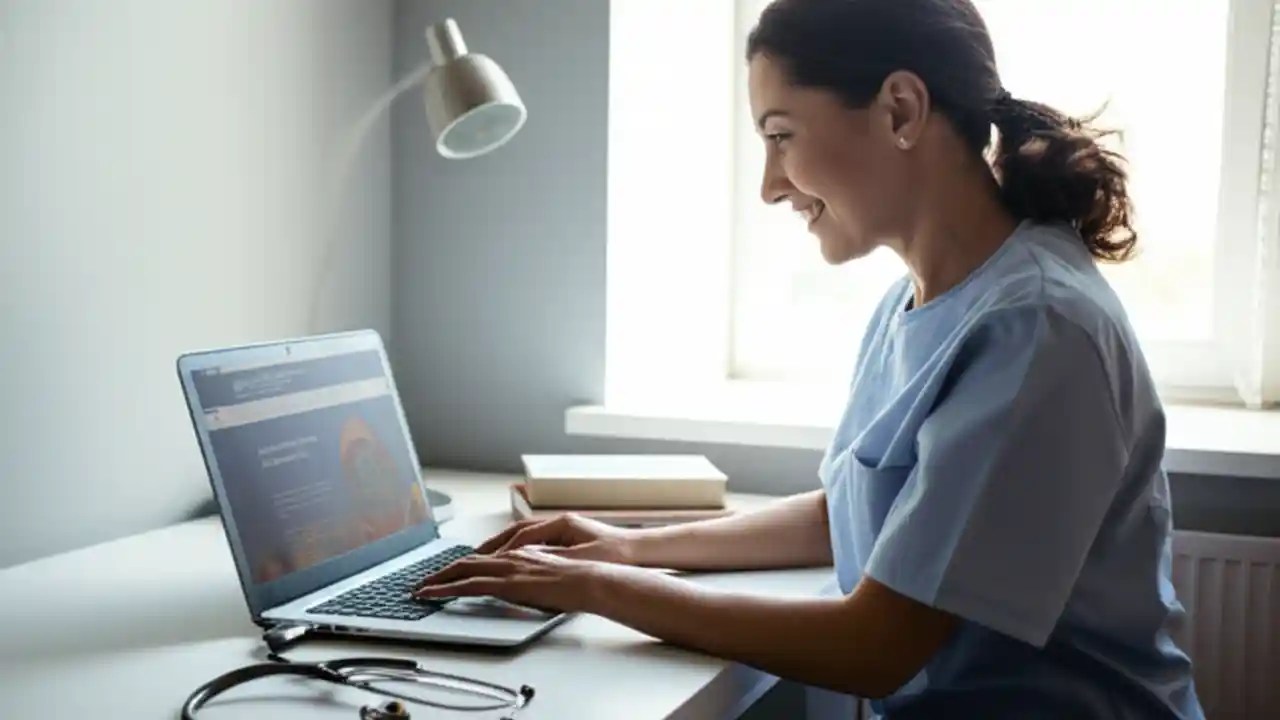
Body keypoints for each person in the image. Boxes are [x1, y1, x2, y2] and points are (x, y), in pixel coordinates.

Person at [414, 0, 1204, 717]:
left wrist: (600, 586)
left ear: (900, 109)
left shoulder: (1038, 328)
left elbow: (875, 648)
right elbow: (851, 515)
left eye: (780, 135)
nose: (767, 186)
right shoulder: (917, 301)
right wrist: (625, 544)